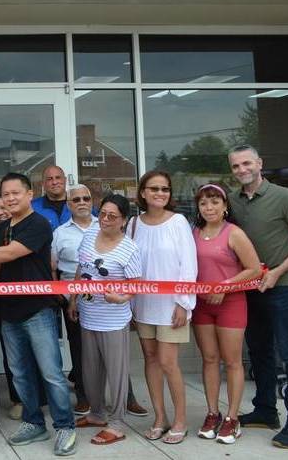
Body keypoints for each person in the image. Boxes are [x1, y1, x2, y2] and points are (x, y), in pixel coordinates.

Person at [0, 173, 77, 456]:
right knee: (21, 374)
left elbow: (10, 254)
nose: (10, 199)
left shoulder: (38, 224)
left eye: (15, 193)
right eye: (6, 194)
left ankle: (65, 426)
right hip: (8, 312)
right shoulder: (1, 228)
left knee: (51, 373)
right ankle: (33, 422)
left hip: (37, 309)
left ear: (29, 194)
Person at [227, 145, 288, 449]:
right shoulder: (233, 200)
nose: (241, 170)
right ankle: (266, 410)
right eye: (235, 166)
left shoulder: (284, 197)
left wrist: (278, 272)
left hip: (283, 287)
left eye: (246, 163)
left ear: (259, 164)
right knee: (259, 352)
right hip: (251, 288)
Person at [190, 184, 262, 444]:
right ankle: (213, 413)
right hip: (202, 305)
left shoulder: (234, 233)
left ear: (225, 206)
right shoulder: (194, 232)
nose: (209, 208)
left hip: (230, 303)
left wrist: (225, 285)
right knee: (209, 359)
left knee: (232, 361)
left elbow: (254, 268)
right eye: (203, 204)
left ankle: (232, 418)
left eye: (214, 202)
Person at [70, 194, 144, 447]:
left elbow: (136, 286)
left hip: (113, 320)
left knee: (117, 373)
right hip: (88, 315)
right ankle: (97, 414)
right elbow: (81, 270)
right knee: (90, 372)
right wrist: (72, 299)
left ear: (124, 220)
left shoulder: (129, 248)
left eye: (112, 216)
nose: (105, 219)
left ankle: (117, 424)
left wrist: (121, 298)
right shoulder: (90, 235)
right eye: (102, 213)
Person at [129, 170, 197, 444]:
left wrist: (183, 303)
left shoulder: (179, 222)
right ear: (143, 193)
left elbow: (188, 265)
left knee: (169, 362)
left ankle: (180, 420)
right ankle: (160, 418)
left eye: (165, 189)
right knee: (151, 360)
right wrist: (130, 303)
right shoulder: (133, 223)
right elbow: (130, 265)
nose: (160, 193)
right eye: (154, 188)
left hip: (172, 306)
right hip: (143, 305)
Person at [51, 185, 97, 416]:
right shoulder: (60, 232)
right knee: (78, 347)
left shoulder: (105, 226)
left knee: (108, 347)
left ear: (92, 201)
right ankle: (82, 396)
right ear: (69, 204)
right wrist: (59, 293)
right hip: (71, 295)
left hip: (103, 296)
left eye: (86, 198)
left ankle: (125, 396)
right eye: (76, 199)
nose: (81, 202)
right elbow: (52, 266)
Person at [0, 194, 24, 420]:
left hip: (29, 303)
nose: (0, 212)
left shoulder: (26, 229)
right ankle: (18, 399)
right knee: (12, 357)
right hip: (1, 303)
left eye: (3, 207)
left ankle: (35, 399)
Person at [30, 166, 71, 231]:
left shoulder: (80, 203)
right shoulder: (31, 208)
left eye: (58, 178)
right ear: (43, 183)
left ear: (65, 180)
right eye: (49, 179)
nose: (54, 182)